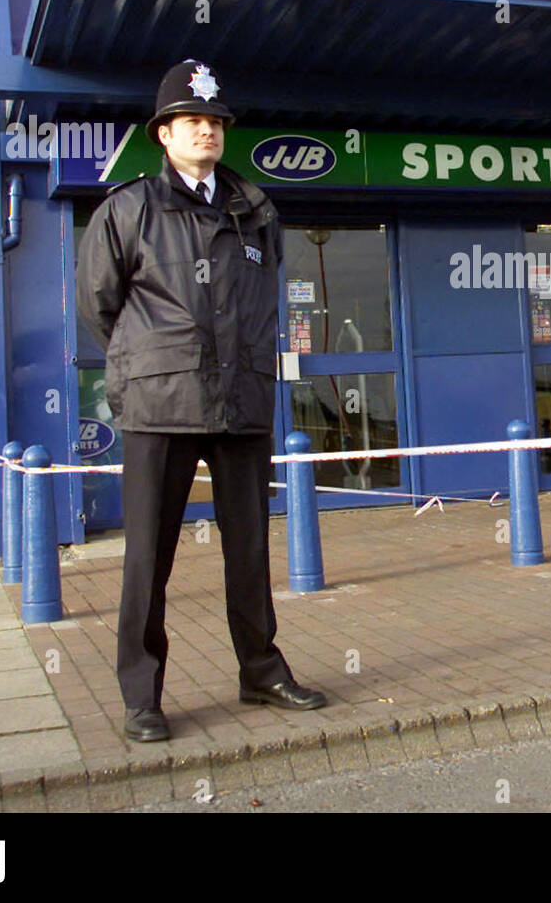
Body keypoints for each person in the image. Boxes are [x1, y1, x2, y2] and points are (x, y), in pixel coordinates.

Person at [76, 59, 325, 743]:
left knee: (248, 548)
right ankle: (141, 696)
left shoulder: (254, 209)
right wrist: (155, 360)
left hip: (240, 400)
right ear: (164, 134)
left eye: (215, 122)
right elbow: (100, 307)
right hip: (161, 405)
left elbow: (262, 303)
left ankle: (261, 671)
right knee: (147, 557)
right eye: (192, 121)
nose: (206, 132)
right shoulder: (127, 210)